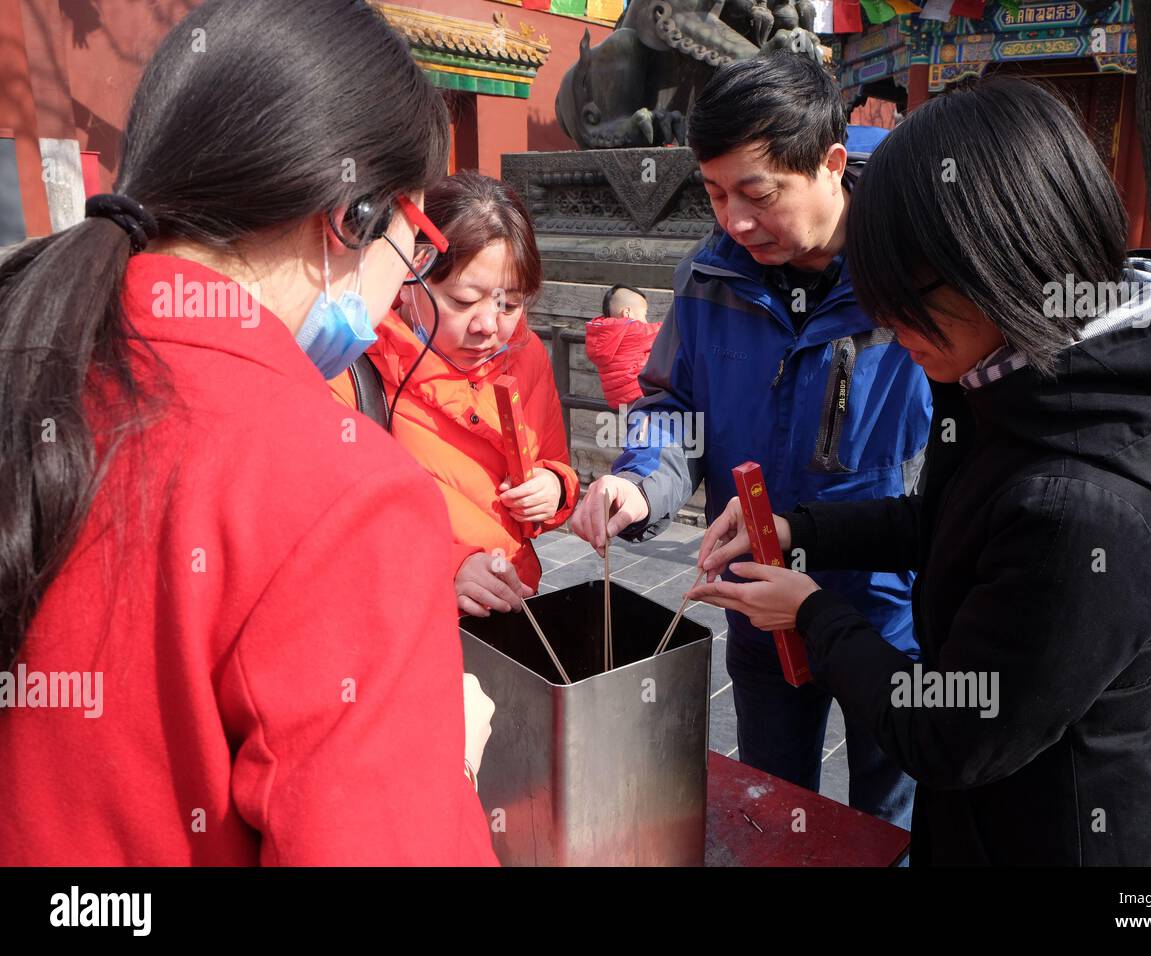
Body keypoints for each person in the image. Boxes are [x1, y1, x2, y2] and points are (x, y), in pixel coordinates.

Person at [0, 0, 496, 865]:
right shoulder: (343, 495)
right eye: (416, 242)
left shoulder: (33, 353)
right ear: (353, 215)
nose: (404, 287)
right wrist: (436, 765)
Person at [690, 75, 1151, 865]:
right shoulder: (1020, 371)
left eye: (907, 306)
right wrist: (798, 529)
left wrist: (812, 616)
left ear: (1005, 267)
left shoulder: (1083, 502)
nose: (890, 331)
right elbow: (942, 518)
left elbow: (949, 735)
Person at [568, 53, 932, 829]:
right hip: (759, 603)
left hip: (890, 614)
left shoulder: (916, 266)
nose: (733, 220)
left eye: (757, 194)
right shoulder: (710, 275)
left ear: (831, 165)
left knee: (891, 813)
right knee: (772, 803)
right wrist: (640, 481)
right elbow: (675, 404)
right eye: (715, 193)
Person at [329, 172, 579, 606]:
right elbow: (334, 527)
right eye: (463, 302)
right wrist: (446, 567)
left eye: (509, 304)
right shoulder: (348, 370)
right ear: (410, 279)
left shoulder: (527, 353)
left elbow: (553, 461)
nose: (487, 327)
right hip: (413, 615)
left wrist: (554, 489)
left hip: (512, 602)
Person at [585, 284, 661, 410]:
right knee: (645, 426)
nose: (646, 321)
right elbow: (660, 332)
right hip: (637, 391)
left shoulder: (603, 331)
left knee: (632, 425)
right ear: (627, 312)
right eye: (644, 315)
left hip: (620, 397)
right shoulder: (632, 330)